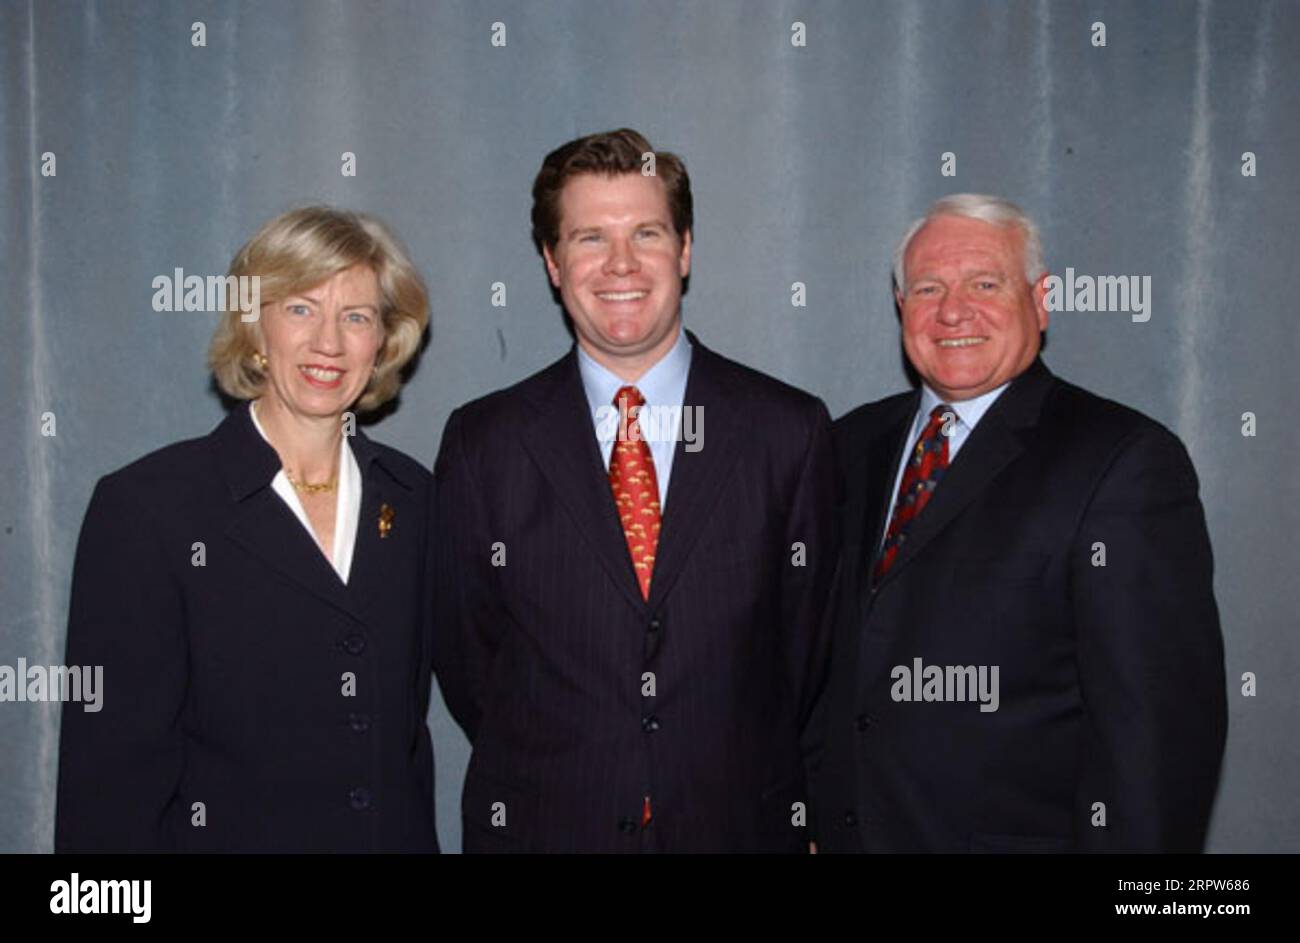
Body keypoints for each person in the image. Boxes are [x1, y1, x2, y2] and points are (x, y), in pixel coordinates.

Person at [432, 128, 836, 852]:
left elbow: (803, 658)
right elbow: (471, 666)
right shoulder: (483, 443)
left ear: (684, 250)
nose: (620, 263)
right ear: (554, 264)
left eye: (646, 233)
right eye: (590, 238)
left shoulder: (788, 432)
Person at [810, 194, 1227, 852]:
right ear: (900, 305)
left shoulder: (1122, 462)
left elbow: (1157, 741)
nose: (953, 310)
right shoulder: (845, 446)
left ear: (1041, 299)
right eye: (928, 287)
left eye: (984, 282)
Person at [55, 206, 439, 852]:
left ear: (383, 342)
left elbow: (405, 745)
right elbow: (108, 787)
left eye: (356, 316)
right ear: (254, 327)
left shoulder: (414, 498)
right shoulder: (149, 508)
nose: (329, 342)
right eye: (299, 309)